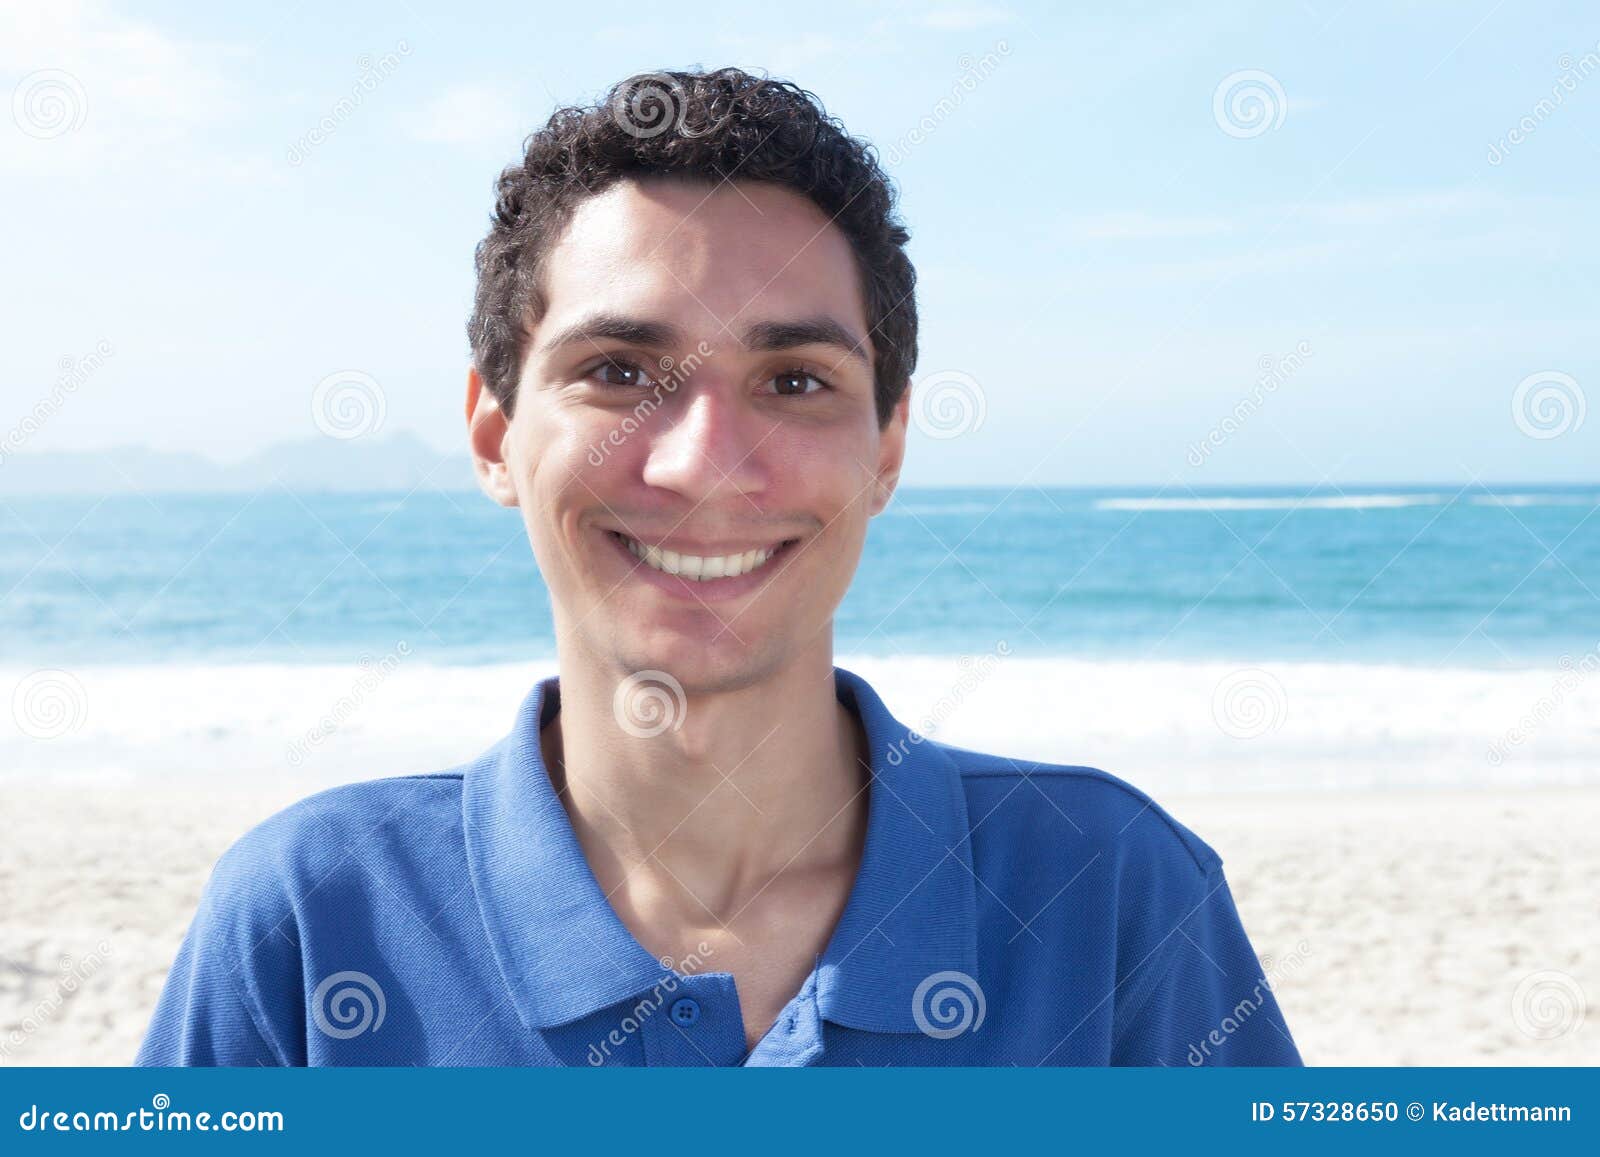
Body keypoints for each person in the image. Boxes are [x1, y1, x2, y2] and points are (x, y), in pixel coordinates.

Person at [136, 67, 1302, 1067]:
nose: (704, 464)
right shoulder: (312, 920)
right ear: (494, 435)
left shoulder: (1108, 892)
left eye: (794, 381)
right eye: (617, 371)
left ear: (885, 448)